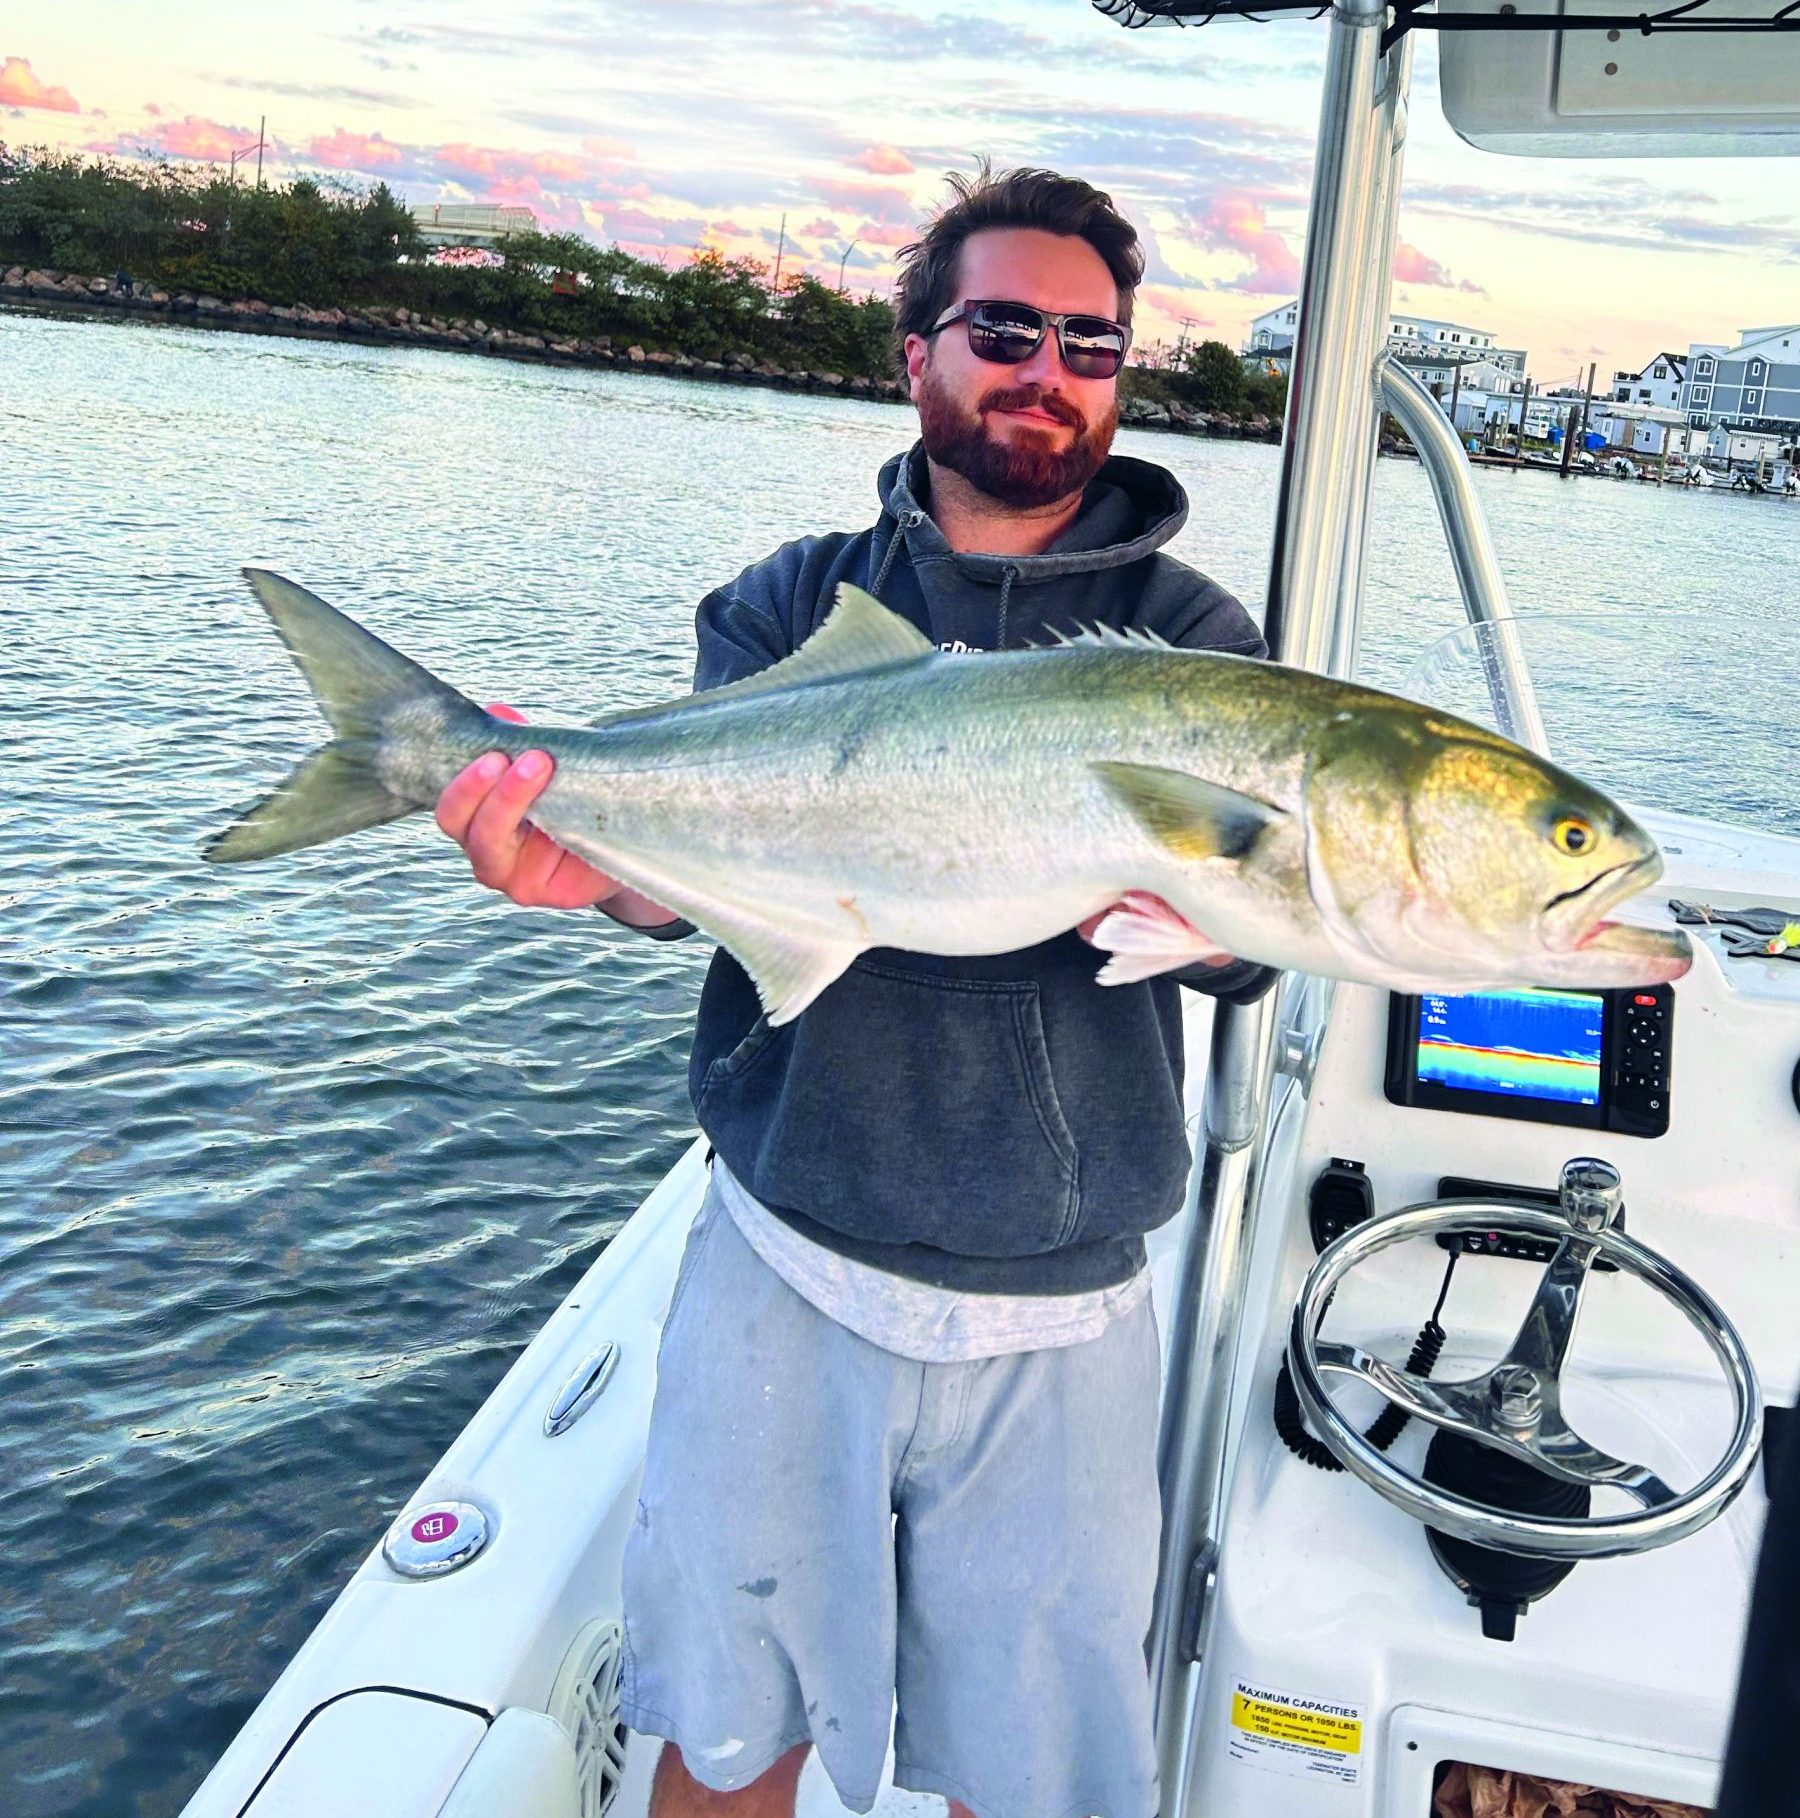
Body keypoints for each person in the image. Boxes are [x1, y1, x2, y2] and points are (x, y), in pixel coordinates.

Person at [434, 165, 1271, 1818]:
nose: (1047, 372)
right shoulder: (793, 600)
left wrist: (1245, 918)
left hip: (1064, 1303)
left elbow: (1249, 928)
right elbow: (699, 875)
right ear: (916, 353)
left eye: (1091, 345)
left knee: (1032, 1781)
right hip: (789, 1253)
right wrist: (591, 864)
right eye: (1004, 330)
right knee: (724, 1739)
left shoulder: (1189, 636)